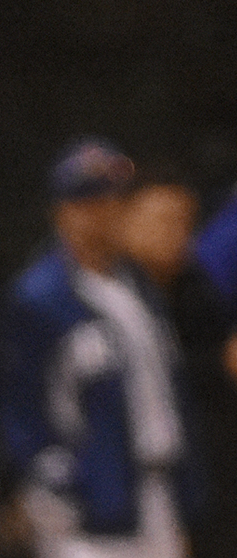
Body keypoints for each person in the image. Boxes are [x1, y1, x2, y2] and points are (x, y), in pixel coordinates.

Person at [0, 138, 204, 558]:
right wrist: (56, 486)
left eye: (115, 199)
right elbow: (20, 408)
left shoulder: (139, 289)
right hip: (84, 512)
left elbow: (165, 395)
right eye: (92, 201)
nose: (107, 212)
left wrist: (183, 498)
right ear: (64, 210)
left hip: (153, 496)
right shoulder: (38, 298)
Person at [119, 174, 235, 558]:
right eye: (163, 220)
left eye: (186, 222)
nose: (177, 233)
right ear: (125, 219)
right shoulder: (104, 289)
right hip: (119, 484)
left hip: (191, 478)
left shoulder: (193, 287)